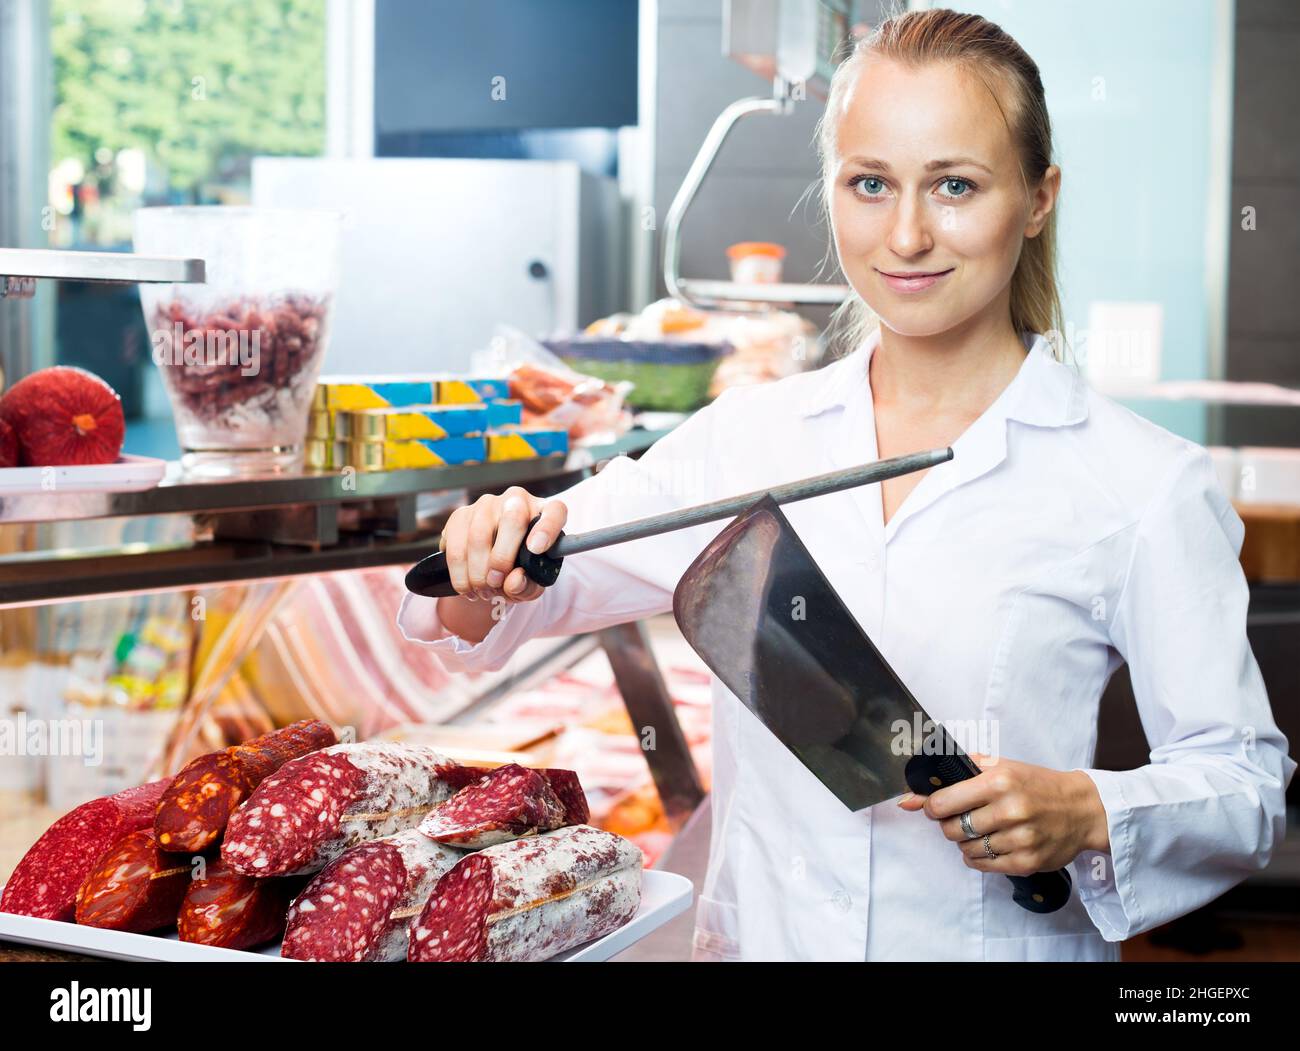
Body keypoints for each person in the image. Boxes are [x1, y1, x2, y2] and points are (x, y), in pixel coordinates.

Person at [398, 8, 1294, 961]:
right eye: (871, 184)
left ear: (1038, 199)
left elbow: (1244, 786)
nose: (906, 234)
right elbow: (511, 602)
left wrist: (1085, 808)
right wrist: (487, 550)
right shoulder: (747, 440)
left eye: (956, 185)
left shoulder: (1142, 483)